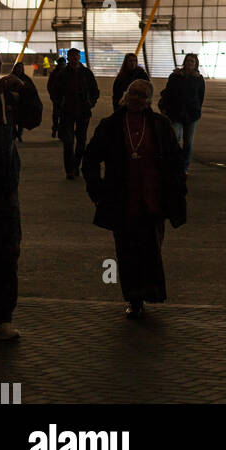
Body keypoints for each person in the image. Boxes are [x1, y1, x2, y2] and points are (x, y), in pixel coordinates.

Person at [82, 78, 186, 318]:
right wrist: (96, 191)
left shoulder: (160, 125)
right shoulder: (111, 125)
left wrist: (178, 188)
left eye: (141, 95)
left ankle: (150, 291)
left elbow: (175, 159)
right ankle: (134, 298)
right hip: (123, 200)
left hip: (153, 200)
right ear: (125, 95)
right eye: (133, 93)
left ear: (149, 100)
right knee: (126, 251)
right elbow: (90, 158)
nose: (136, 98)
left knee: (151, 249)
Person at [0, 45, 43, 341]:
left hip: (5, 191)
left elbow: (33, 119)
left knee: (7, 256)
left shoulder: (6, 95)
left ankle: (0, 319)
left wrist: (26, 87)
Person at [48, 48, 99, 179]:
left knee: (81, 142)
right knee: (68, 142)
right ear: (68, 58)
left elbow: (94, 90)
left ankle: (76, 164)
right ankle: (69, 170)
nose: (75, 58)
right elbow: (55, 91)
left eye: (77, 56)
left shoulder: (86, 73)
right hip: (67, 112)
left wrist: (90, 103)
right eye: (72, 56)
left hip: (83, 111)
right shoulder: (63, 74)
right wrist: (59, 104)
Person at [158, 54, 205, 173]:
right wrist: (164, 107)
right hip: (175, 113)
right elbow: (167, 92)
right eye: (188, 61)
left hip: (191, 114)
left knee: (188, 143)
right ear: (184, 62)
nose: (190, 63)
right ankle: (175, 164)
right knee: (175, 139)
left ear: (196, 64)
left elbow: (200, 96)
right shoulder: (175, 76)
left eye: (192, 61)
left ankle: (184, 167)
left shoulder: (199, 79)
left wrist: (197, 109)